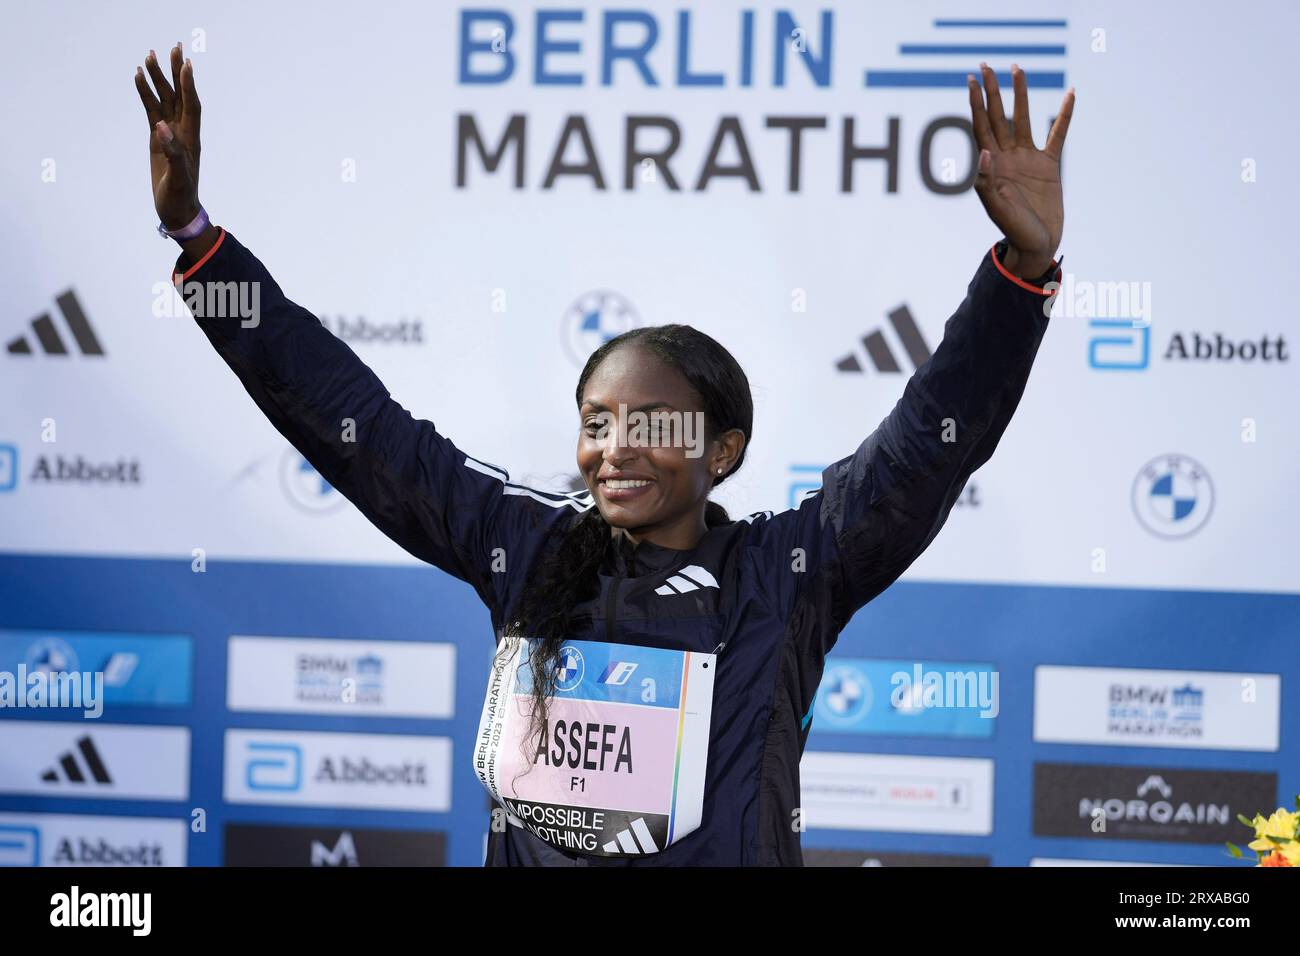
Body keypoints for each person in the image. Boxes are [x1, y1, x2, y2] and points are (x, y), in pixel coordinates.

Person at [135, 45, 1074, 866]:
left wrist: (1020, 273)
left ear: (724, 449)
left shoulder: (791, 572)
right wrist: (197, 242)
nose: (615, 447)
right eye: (595, 422)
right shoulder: (526, 547)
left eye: (653, 424)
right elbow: (345, 417)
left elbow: (929, 445)